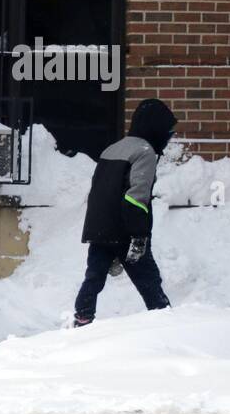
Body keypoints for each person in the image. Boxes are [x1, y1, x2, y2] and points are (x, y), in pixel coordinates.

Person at [74, 98, 176, 326]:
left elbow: (98, 193)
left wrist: (98, 232)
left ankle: (82, 320)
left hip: (100, 228)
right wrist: (138, 236)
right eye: (168, 132)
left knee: (94, 278)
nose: (169, 138)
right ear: (156, 128)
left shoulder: (113, 148)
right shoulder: (145, 152)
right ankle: (166, 325)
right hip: (127, 230)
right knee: (150, 282)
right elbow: (135, 197)